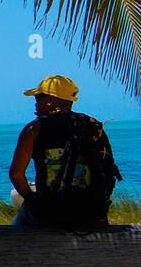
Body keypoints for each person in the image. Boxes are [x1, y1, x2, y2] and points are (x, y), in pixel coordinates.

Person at [9, 75, 121, 231]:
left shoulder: (33, 129)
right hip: (91, 213)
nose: (35, 103)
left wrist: (33, 200)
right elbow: (108, 169)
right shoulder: (93, 125)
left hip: (51, 215)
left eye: (38, 97)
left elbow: (16, 175)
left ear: (51, 100)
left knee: (14, 234)